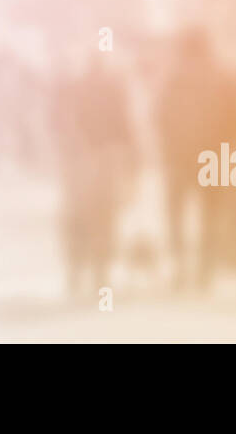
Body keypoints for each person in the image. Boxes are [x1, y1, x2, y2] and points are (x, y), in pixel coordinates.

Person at [154, 28, 236, 290]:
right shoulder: (224, 78)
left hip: (179, 159)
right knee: (210, 217)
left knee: (176, 216)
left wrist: (168, 148)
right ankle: (205, 273)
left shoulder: (173, 79)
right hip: (212, 158)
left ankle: (180, 268)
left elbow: (160, 117)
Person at [53, 53, 137, 297]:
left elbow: (57, 125)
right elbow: (125, 128)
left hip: (77, 161)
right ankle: (100, 274)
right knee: (103, 216)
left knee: (77, 217)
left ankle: (76, 271)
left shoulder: (72, 90)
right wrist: (133, 161)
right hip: (105, 159)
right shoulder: (112, 91)